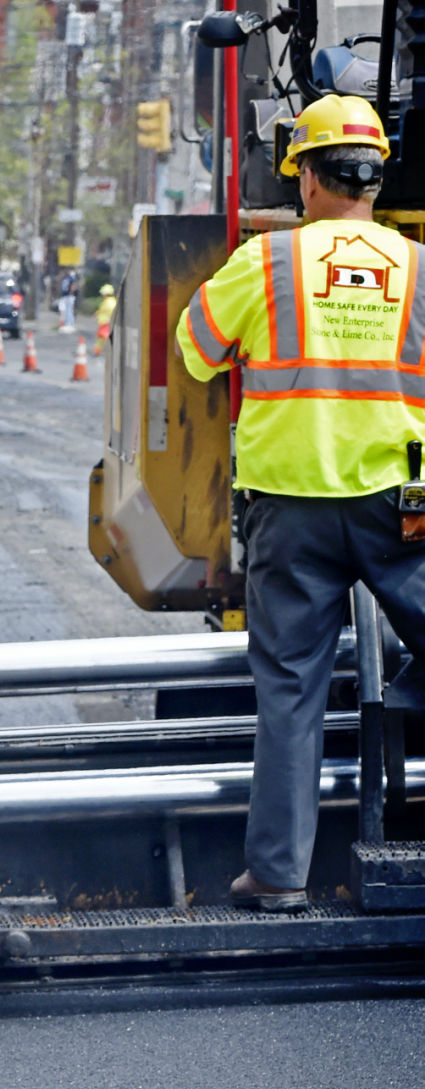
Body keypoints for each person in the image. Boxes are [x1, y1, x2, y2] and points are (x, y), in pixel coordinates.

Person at [176, 93, 425, 910]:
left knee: (290, 688)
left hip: (290, 507)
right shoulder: (418, 269)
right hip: (402, 505)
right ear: (373, 181)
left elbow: (197, 350)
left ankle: (278, 876)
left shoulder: (270, 262)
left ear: (307, 178)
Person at [95, 282, 116, 349]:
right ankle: (99, 350)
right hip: (105, 322)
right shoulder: (109, 301)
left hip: (106, 323)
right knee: (102, 337)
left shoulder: (109, 302)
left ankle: (100, 351)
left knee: (104, 337)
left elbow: (108, 312)